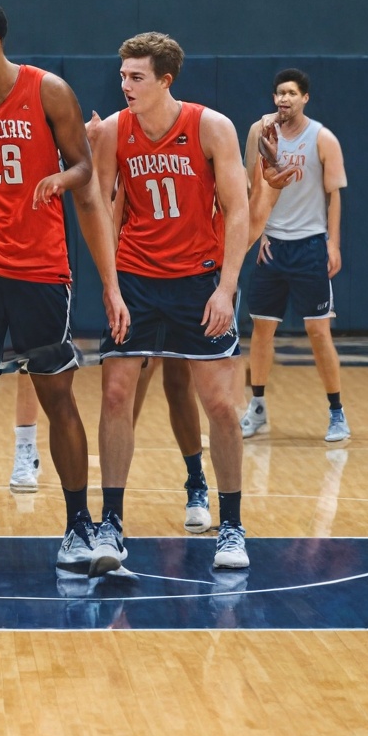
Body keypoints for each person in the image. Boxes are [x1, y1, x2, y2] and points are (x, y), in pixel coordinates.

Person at [0, 0, 126, 590]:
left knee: (57, 398)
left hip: (41, 268)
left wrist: (59, 179)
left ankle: (78, 526)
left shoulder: (49, 92)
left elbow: (84, 168)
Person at [87, 33, 252, 573]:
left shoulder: (211, 126)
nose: (126, 86)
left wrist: (226, 288)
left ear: (165, 81)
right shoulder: (113, 130)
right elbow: (103, 208)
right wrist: (110, 286)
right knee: (115, 395)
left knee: (221, 405)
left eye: (137, 77)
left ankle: (231, 526)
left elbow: (236, 210)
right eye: (122, 76)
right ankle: (110, 522)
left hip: (196, 282)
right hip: (135, 278)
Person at [241, 69, 351, 443]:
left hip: (309, 245)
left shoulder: (322, 138)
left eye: (291, 93)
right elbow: (251, 188)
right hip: (272, 245)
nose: (283, 99)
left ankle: (336, 412)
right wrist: (257, 236)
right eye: (278, 93)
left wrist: (332, 244)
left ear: (305, 98)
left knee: (318, 330)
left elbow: (334, 194)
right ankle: (256, 407)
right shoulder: (259, 132)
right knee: (261, 330)